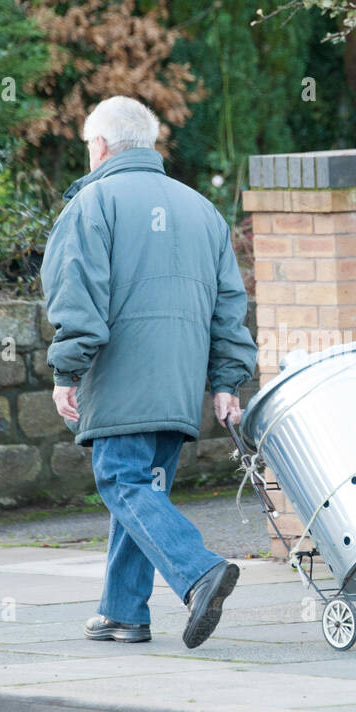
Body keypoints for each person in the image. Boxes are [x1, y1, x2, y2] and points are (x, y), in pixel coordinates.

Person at [40, 96, 257, 649]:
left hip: (122, 381)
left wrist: (67, 372)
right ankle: (123, 612)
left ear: (102, 145)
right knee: (144, 490)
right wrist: (226, 382)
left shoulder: (93, 204)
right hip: (179, 388)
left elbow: (76, 296)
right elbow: (229, 306)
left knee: (123, 482)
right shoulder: (202, 210)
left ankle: (197, 571)